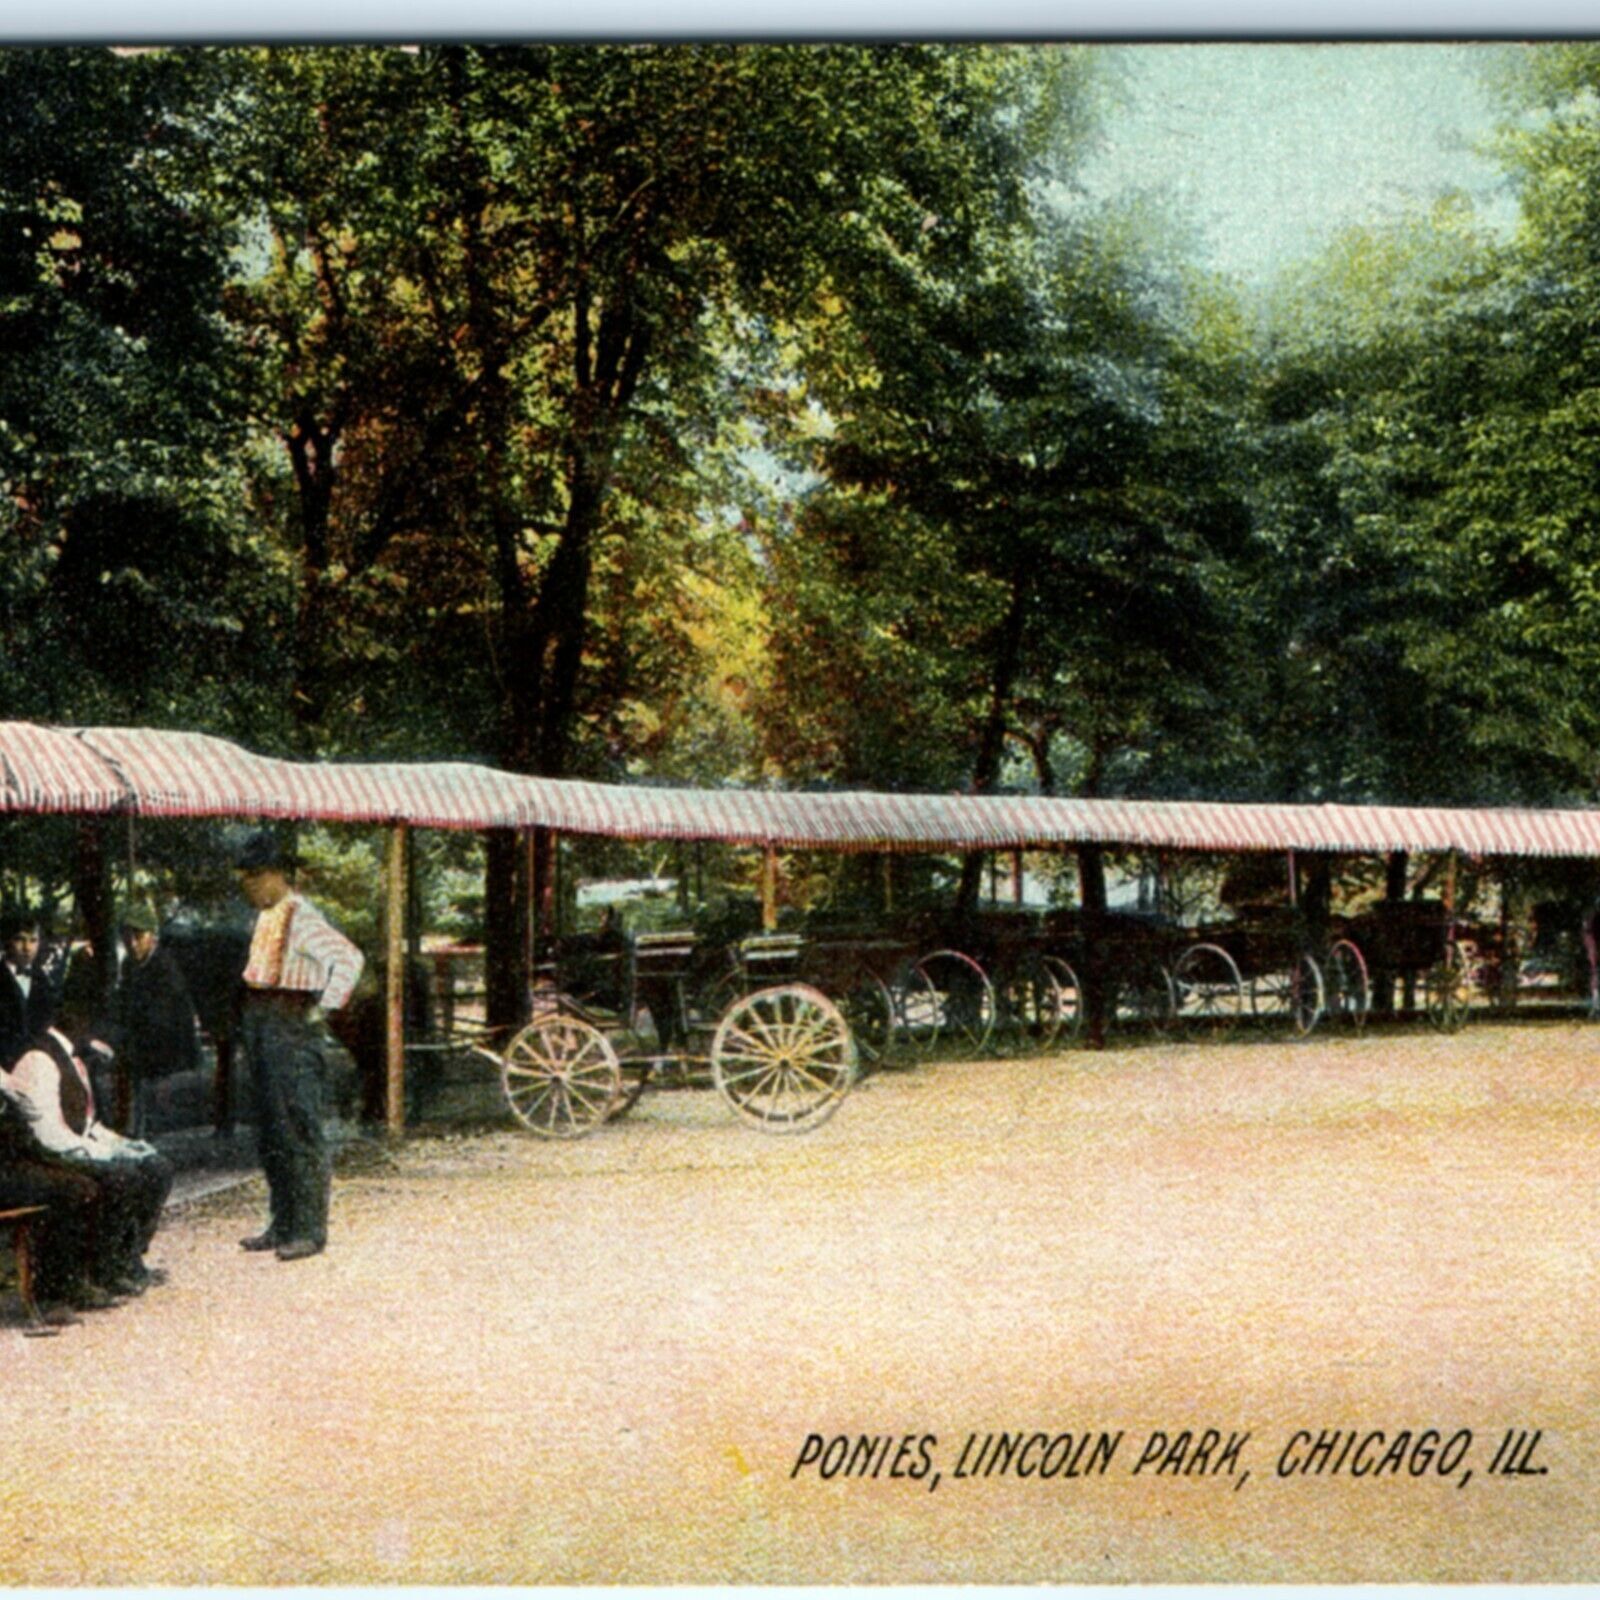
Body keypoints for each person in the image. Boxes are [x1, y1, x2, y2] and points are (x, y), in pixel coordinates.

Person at [233, 829, 363, 1262]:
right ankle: (283, 1221)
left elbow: (348, 959)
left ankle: (309, 1229)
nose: (247, 886)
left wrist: (324, 1007)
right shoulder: (266, 916)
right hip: (262, 1021)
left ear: (275, 875)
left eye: (254, 877)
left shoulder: (302, 917)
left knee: (299, 1127)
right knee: (272, 1128)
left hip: (291, 1023)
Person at [0, 1022, 173, 1302]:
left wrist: (121, 1146)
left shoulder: (75, 1062)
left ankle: (125, 1261)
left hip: (57, 1149)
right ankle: (78, 1279)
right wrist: (104, 1154)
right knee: (106, 1180)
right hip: (37, 1154)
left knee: (157, 1168)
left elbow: (88, 1125)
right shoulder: (40, 1060)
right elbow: (49, 1136)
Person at [114, 905, 201, 1137]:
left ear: (152, 937)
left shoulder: (165, 966)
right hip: (143, 1039)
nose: (132, 943)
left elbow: (162, 1016)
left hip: (167, 1044)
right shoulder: (130, 965)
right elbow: (125, 1003)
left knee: (154, 1099)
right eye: (127, 937)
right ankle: (136, 1130)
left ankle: (148, 1132)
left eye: (138, 936)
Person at [0, 913, 55, 1067]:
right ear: (7, 942)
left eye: (33, 940)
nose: (27, 948)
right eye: (20, 939)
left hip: (35, 1068)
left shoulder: (44, 980)